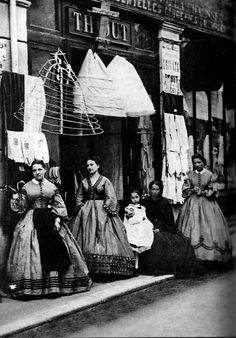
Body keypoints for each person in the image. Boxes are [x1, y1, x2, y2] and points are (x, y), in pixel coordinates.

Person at [6, 159, 92, 298]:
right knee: (34, 248)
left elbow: (60, 205)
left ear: (45, 170)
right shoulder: (26, 187)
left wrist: (58, 219)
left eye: (39, 169)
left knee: (55, 247)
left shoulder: (52, 186)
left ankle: (54, 287)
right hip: (32, 218)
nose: (37, 172)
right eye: (34, 170)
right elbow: (21, 208)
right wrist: (16, 196)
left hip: (50, 218)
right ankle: (32, 288)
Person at [67, 156, 135, 280]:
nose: (89, 167)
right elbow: (79, 197)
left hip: (103, 212)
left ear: (98, 166)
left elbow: (111, 196)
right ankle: (90, 269)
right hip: (86, 213)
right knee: (86, 237)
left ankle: (106, 270)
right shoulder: (83, 181)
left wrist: (105, 206)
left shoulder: (105, 180)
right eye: (87, 165)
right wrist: (81, 207)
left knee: (104, 237)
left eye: (92, 164)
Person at [176, 153, 232, 269]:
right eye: (195, 163)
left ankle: (210, 257)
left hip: (207, 205)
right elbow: (184, 191)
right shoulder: (190, 175)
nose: (197, 165)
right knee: (192, 227)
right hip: (191, 205)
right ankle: (194, 257)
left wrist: (203, 192)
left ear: (204, 163)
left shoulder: (210, 175)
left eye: (199, 162)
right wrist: (191, 189)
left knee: (209, 228)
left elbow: (214, 192)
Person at [139, 180, 204, 278]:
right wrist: (149, 228)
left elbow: (169, 221)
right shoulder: (145, 202)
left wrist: (159, 228)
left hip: (163, 229)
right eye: (152, 189)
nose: (154, 192)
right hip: (148, 228)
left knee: (163, 241)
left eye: (157, 189)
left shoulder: (165, 203)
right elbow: (142, 218)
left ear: (160, 190)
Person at [124, 188, 154, 271]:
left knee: (139, 250)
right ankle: (133, 267)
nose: (135, 199)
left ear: (140, 197)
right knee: (133, 250)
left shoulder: (143, 208)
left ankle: (138, 267)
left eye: (136, 197)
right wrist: (141, 218)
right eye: (132, 198)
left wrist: (151, 226)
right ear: (130, 199)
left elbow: (146, 219)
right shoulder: (129, 209)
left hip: (141, 230)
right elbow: (131, 221)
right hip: (133, 231)